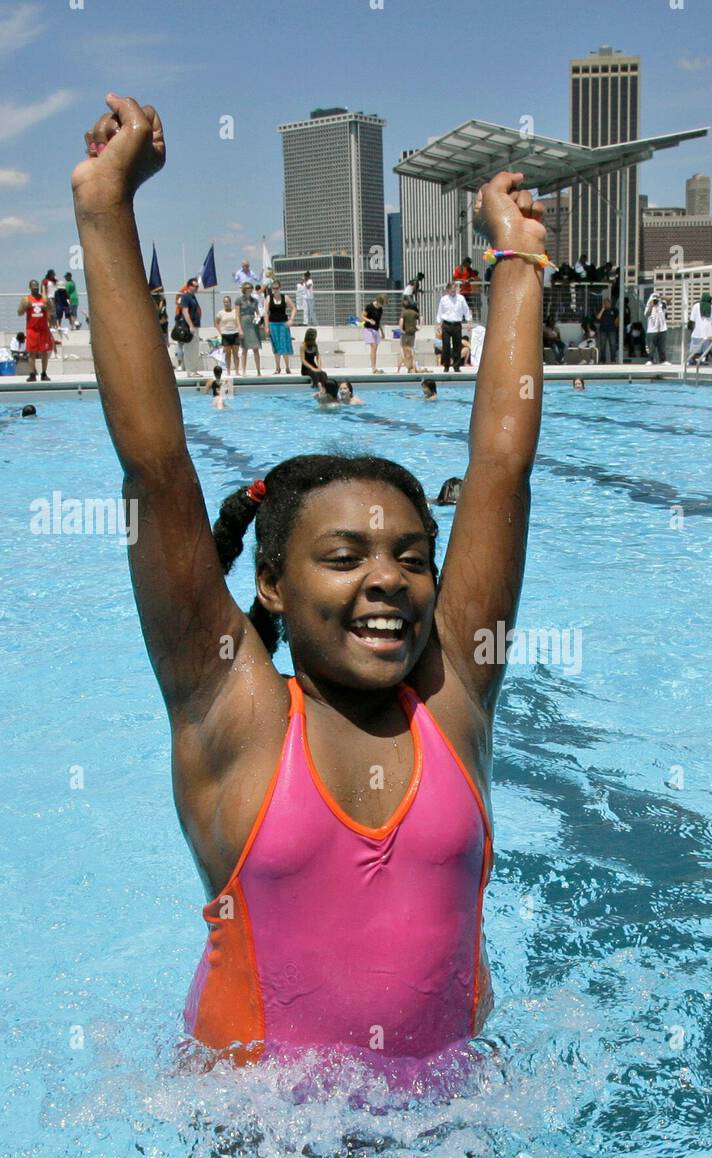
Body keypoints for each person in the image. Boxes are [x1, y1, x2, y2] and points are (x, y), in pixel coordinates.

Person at [74, 93, 546, 1079]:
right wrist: (105, 209)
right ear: (274, 585)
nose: (389, 580)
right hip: (261, 1152)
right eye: (346, 557)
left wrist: (518, 259)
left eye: (413, 556)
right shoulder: (231, 714)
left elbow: (500, 466)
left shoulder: (451, 701)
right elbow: (156, 467)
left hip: (452, 1137)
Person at [18, 278, 55, 381]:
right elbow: (19, 313)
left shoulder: (45, 298)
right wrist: (25, 307)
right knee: (32, 352)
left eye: (36, 288)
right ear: (30, 288)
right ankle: (32, 373)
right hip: (32, 329)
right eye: (33, 288)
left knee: (44, 352)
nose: (35, 290)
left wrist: (46, 307)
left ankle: (44, 373)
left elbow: (52, 310)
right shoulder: (26, 299)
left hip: (43, 329)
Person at [435, 282, 471, 372]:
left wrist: (469, 321)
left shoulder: (461, 298)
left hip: (457, 325)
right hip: (446, 325)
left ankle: (456, 366)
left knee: (457, 346)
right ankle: (446, 365)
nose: (453, 291)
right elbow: (440, 312)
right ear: (448, 290)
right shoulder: (444, 299)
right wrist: (438, 324)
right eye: (451, 290)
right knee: (446, 346)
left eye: (454, 289)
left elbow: (466, 310)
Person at [263, 280, 294, 374]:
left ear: (280, 288)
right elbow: (266, 313)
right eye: (273, 288)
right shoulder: (269, 298)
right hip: (273, 324)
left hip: (283, 324)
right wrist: (266, 326)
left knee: (284, 345)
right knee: (275, 346)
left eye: (277, 288)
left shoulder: (285, 297)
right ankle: (277, 367)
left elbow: (294, 308)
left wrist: (291, 319)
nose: (275, 290)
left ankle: (287, 367)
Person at [175, 276, 202, 375]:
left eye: (197, 286)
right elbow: (185, 311)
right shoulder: (186, 297)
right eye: (195, 286)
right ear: (189, 286)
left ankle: (194, 370)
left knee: (195, 349)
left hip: (195, 325)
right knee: (189, 349)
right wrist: (190, 325)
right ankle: (190, 371)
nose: (196, 288)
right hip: (189, 326)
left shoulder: (193, 297)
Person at [687, 292, 712, 366]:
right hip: (708, 334)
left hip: (697, 333)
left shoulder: (696, 306)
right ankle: (703, 362)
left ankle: (693, 362)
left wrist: (690, 330)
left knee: (694, 350)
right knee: (705, 351)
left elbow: (692, 320)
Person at [237, 282, 262, 374]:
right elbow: (237, 315)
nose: (249, 289)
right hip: (244, 322)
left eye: (251, 287)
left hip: (253, 323)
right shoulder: (239, 300)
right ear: (244, 289)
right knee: (244, 348)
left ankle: (258, 371)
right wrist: (239, 328)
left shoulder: (255, 300)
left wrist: (258, 320)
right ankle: (243, 370)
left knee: (256, 348)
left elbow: (258, 313)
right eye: (247, 287)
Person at [214, 294, 241, 376]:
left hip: (235, 333)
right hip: (225, 334)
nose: (226, 303)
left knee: (236, 353)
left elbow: (238, 321)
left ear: (230, 302)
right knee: (228, 354)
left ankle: (237, 371)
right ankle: (228, 371)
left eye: (228, 302)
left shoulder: (235, 312)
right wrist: (220, 332)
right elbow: (216, 323)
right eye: (225, 302)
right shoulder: (220, 313)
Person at [361, 295, 386, 374]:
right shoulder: (369, 307)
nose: (382, 306)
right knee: (373, 346)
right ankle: (373, 368)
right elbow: (362, 316)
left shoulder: (380, 309)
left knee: (375, 349)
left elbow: (379, 321)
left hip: (376, 329)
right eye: (382, 304)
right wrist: (369, 320)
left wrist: (382, 331)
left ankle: (374, 367)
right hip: (368, 329)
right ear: (378, 301)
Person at [644, 293, 669, 364]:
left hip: (662, 329)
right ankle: (650, 360)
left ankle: (663, 360)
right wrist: (651, 306)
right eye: (654, 299)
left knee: (662, 346)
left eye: (656, 300)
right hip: (652, 330)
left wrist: (661, 298)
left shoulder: (662, 304)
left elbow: (669, 300)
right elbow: (646, 314)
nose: (655, 301)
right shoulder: (649, 305)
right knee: (651, 347)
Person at [399, 296, 419, 372]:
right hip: (412, 333)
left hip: (405, 333)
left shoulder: (404, 312)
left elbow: (401, 321)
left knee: (404, 350)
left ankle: (408, 366)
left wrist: (401, 330)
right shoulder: (414, 313)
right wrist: (419, 327)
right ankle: (412, 366)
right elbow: (421, 318)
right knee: (411, 349)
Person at [597, 299, 618, 364]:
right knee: (602, 345)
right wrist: (603, 309)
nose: (607, 304)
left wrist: (616, 325)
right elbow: (598, 317)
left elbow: (618, 318)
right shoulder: (601, 309)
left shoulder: (614, 310)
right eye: (605, 303)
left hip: (612, 330)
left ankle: (613, 360)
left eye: (608, 303)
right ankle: (602, 360)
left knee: (613, 345)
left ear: (610, 303)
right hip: (603, 330)